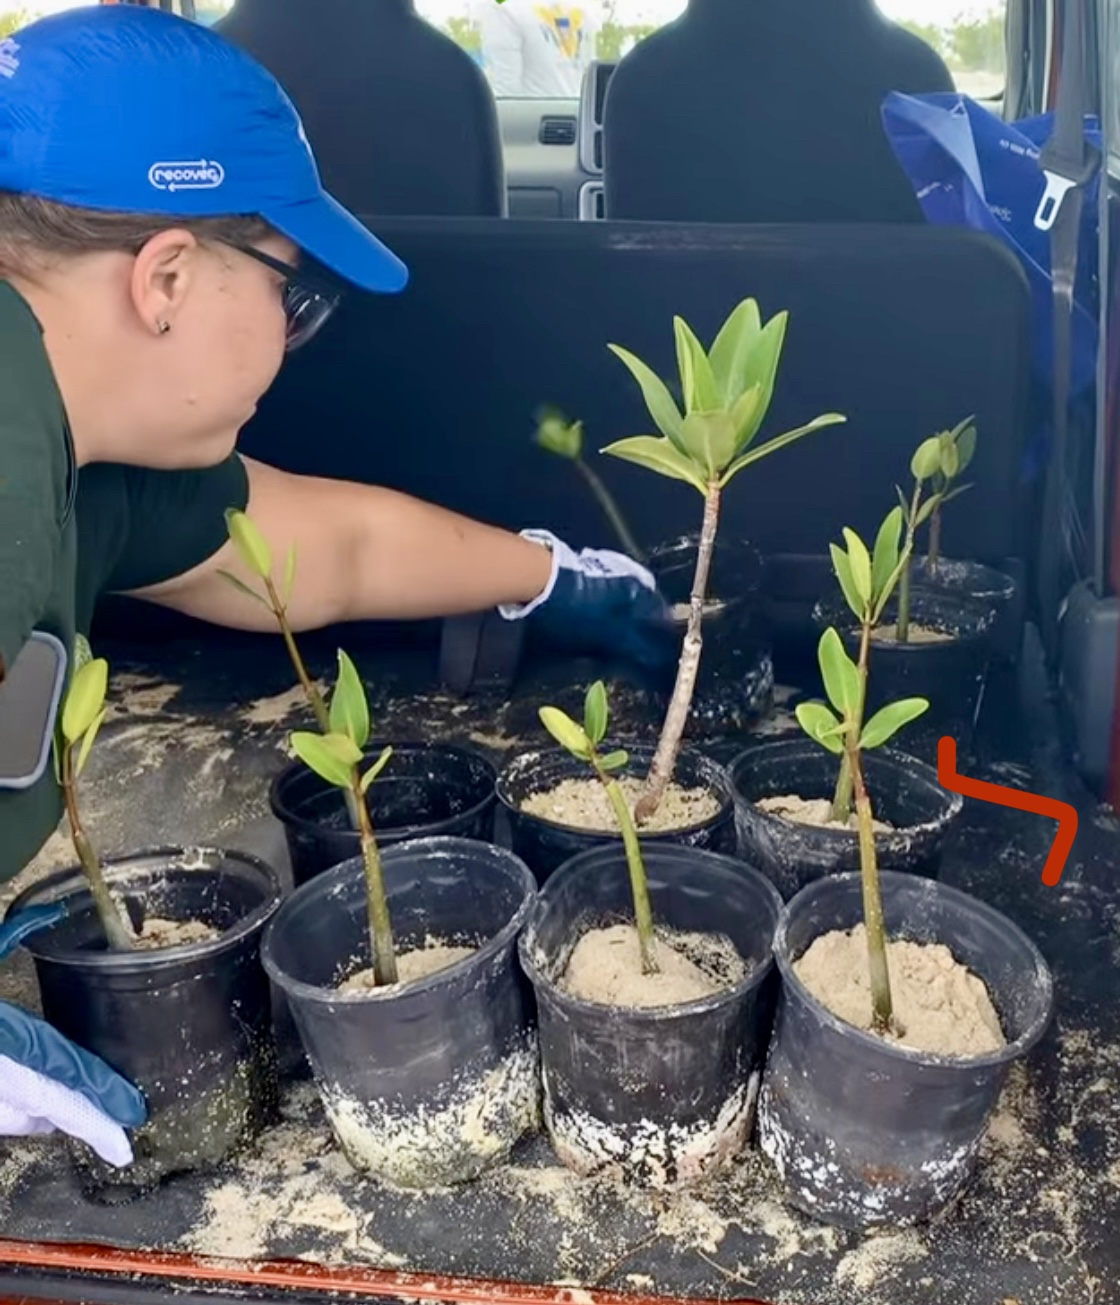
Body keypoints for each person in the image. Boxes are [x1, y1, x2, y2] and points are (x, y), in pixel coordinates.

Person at [0, 5, 669, 1163]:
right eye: (288, 293)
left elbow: (313, 545)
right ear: (164, 276)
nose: (290, 332)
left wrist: (551, 579)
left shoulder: (81, 439)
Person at [475, 0, 600, 98]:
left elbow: (504, 93)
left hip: (530, 124)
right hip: (579, 120)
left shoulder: (502, 8)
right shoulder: (582, 8)